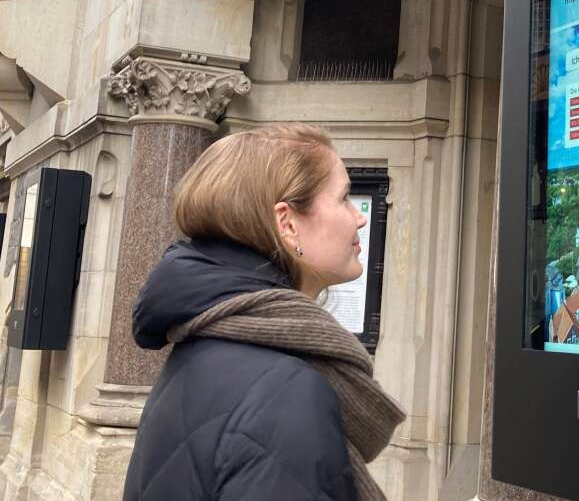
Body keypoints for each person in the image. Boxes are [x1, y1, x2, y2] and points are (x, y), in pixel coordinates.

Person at [123, 123, 404, 501]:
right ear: (287, 223)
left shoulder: (204, 347)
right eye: (343, 198)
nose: (360, 217)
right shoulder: (284, 389)